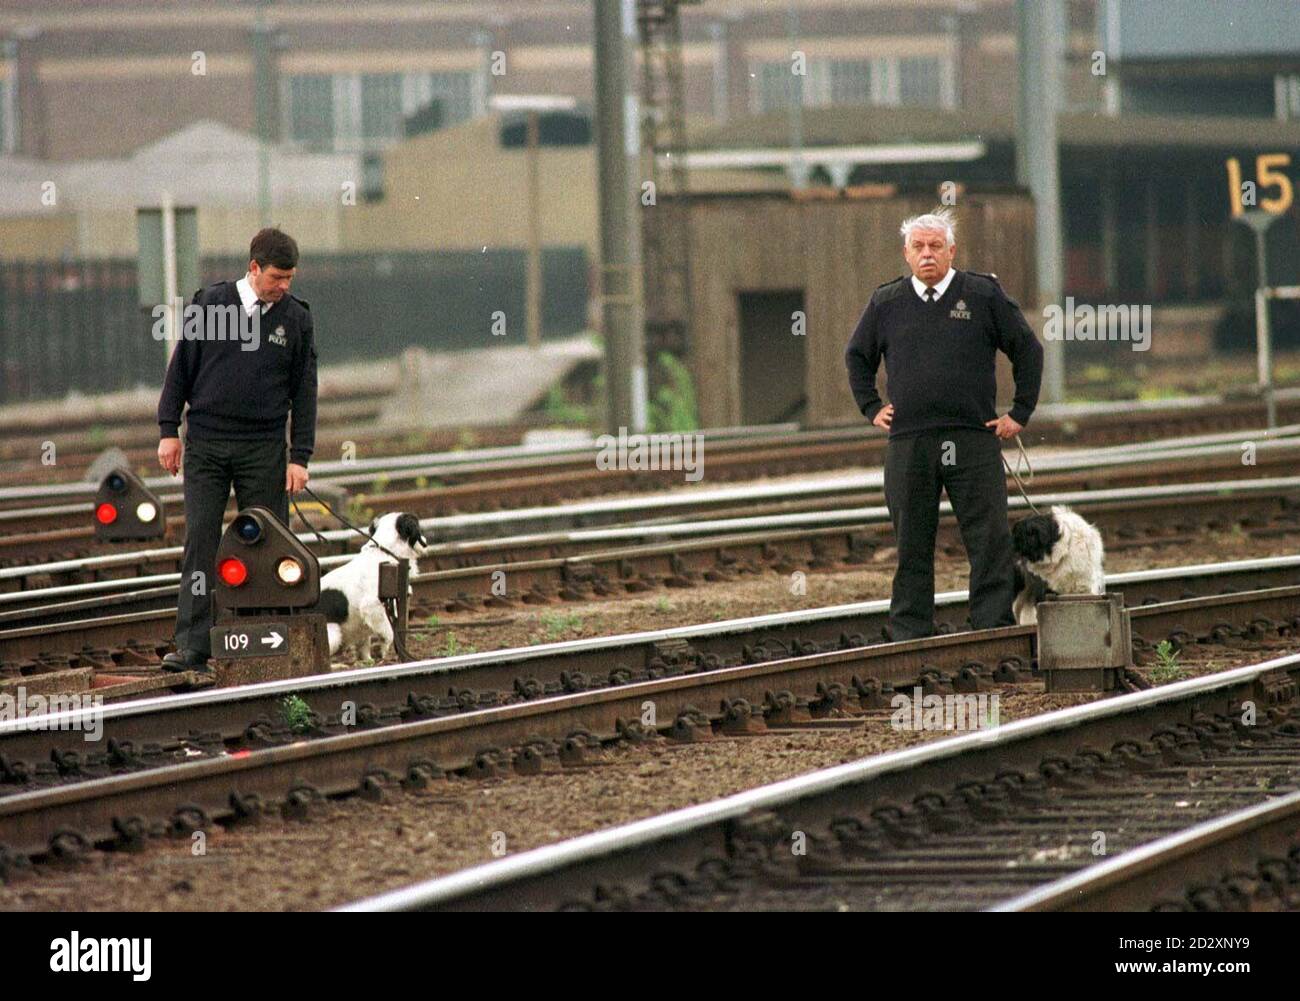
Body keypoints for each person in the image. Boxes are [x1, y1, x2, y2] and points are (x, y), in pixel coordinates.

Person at [844, 208, 1043, 640]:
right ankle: (910, 633)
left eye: (936, 246)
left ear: (952, 251)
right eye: (919, 247)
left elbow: (1027, 349)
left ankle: (992, 627)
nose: (928, 254)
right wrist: (870, 405)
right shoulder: (886, 302)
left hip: (973, 438)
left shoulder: (983, 296)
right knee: (912, 543)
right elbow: (857, 356)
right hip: (910, 443)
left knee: (989, 540)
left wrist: (1019, 413)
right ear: (906, 254)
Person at [156, 227, 318, 672]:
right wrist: (169, 429)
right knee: (201, 541)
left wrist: (299, 457)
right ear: (253, 268)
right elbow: (181, 367)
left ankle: (266, 639)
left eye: (290, 279)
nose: (284, 287)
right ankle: (193, 644)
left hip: (264, 448)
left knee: (266, 543)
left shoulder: (296, 319)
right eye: (277, 278)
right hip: (206, 444)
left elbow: (305, 392)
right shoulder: (210, 306)